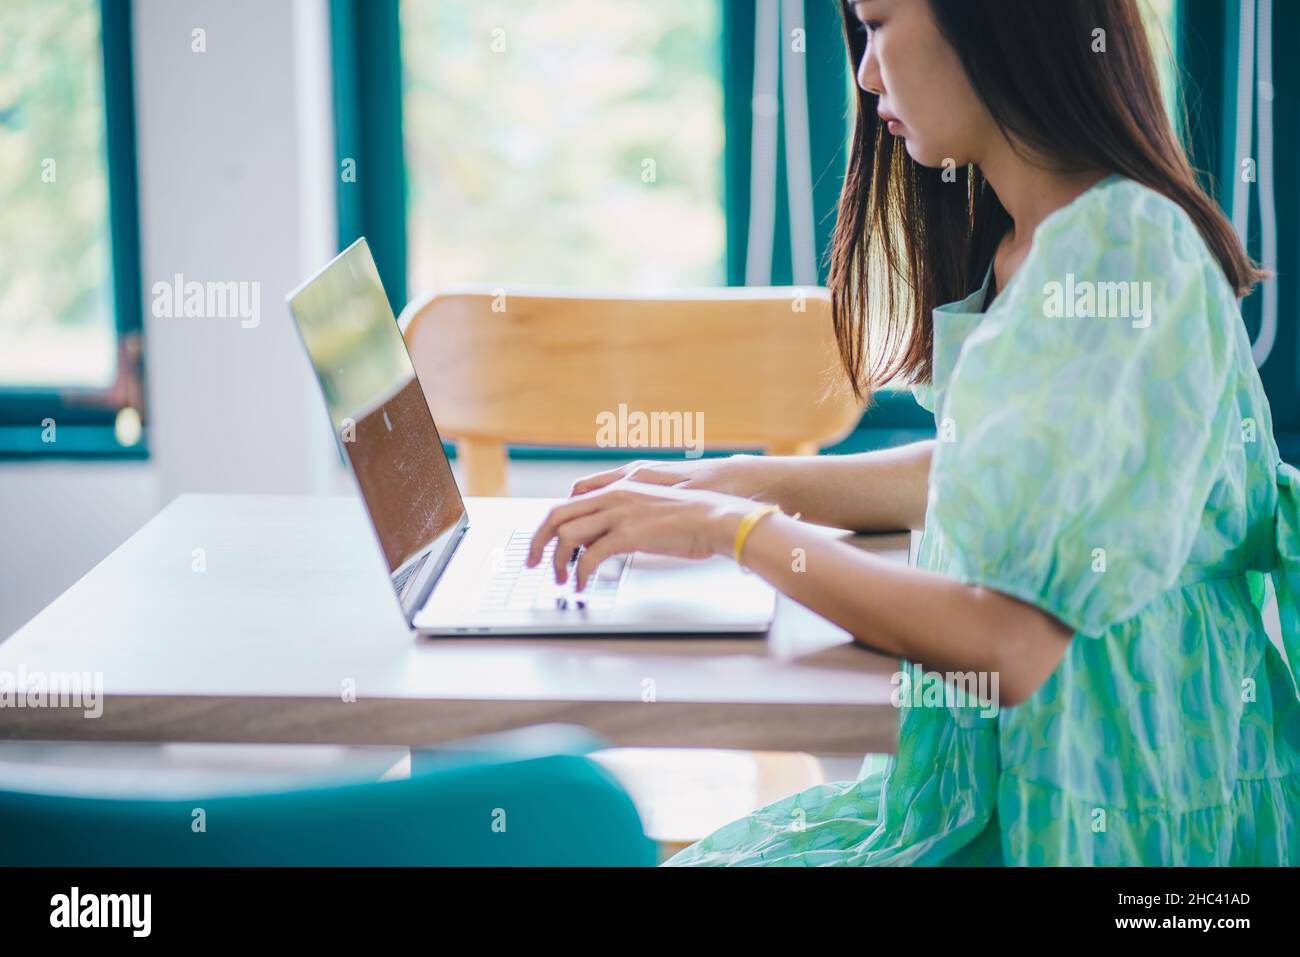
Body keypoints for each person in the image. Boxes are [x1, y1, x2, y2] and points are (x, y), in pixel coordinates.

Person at [527, 0, 1300, 865]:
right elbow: (996, 475)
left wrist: (736, 532)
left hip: (1122, 821)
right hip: (1022, 786)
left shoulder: (1122, 254)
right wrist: (741, 481)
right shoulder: (1031, 239)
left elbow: (1010, 644)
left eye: (881, 22)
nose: (864, 72)